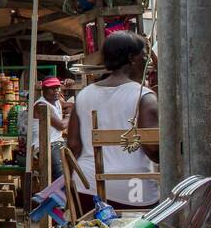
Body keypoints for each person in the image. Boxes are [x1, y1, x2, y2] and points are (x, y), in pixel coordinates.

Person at [67, 31, 159, 210]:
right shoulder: (144, 96)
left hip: (87, 186)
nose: (146, 63)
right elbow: (153, 147)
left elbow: (73, 146)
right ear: (132, 58)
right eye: (144, 56)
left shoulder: (84, 95)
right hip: (133, 188)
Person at [30, 76, 68, 182]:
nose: (56, 91)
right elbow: (61, 125)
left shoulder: (56, 101)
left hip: (57, 143)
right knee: (60, 176)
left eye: (57, 88)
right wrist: (70, 116)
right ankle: (59, 194)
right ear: (44, 91)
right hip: (46, 145)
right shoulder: (41, 105)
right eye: (52, 89)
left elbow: (66, 105)